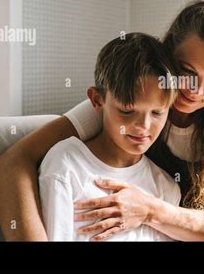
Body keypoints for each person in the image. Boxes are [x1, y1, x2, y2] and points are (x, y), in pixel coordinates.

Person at [0, 0, 204, 241]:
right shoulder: (129, 101)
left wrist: (148, 210)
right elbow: (12, 163)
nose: (196, 91)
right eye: (187, 71)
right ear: (168, 55)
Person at [39, 33, 181, 241]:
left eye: (157, 113)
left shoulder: (166, 187)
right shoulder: (66, 165)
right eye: (127, 111)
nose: (144, 126)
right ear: (97, 100)